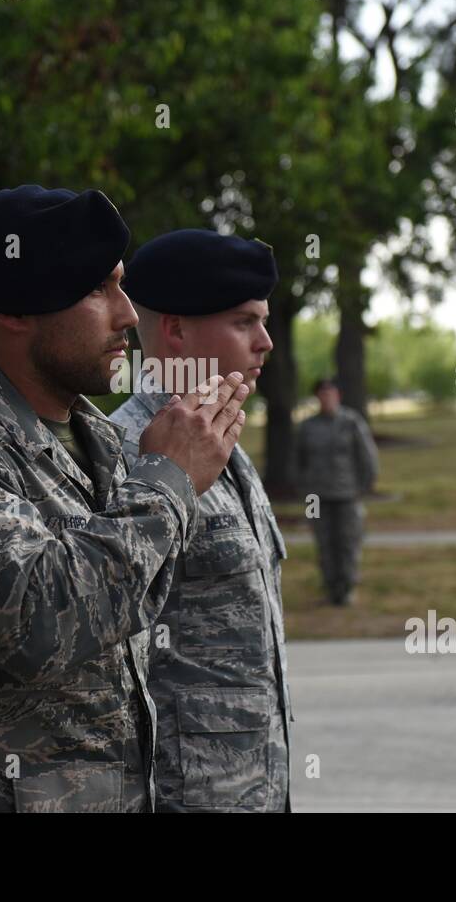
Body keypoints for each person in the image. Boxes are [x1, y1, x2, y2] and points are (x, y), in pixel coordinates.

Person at [0, 186, 248, 812]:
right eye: (98, 289)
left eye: (120, 284)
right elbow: (38, 624)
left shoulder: (99, 439)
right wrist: (167, 484)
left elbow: (130, 608)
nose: (128, 315)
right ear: (17, 309)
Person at [110, 229, 292, 812]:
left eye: (263, 321)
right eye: (244, 322)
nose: (265, 341)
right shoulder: (124, 450)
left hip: (260, 780)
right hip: (183, 789)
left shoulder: (227, 446)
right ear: (176, 329)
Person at [295, 377, 378, 606]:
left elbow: (367, 456)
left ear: (338, 396)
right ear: (317, 397)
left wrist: (363, 486)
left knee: (348, 542)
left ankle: (347, 587)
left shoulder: (351, 422)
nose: (327, 397)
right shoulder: (307, 427)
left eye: (331, 393)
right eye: (322, 393)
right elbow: (298, 462)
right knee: (324, 543)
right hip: (316, 497)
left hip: (347, 494)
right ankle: (331, 588)